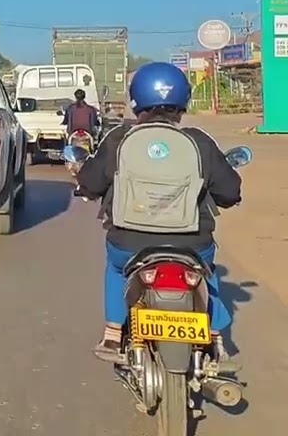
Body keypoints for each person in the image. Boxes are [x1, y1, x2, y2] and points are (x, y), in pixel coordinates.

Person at [75, 62, 242, 365]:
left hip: (128, 245)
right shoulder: (199, 141)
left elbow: (89, 182)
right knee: (207, 270)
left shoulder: (118, 139)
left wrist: (87, 188)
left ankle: (113, 333)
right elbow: (230, 193)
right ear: (183, 101)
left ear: (136, 100)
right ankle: (216, 335)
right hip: (192, 244)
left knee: (115, 269)